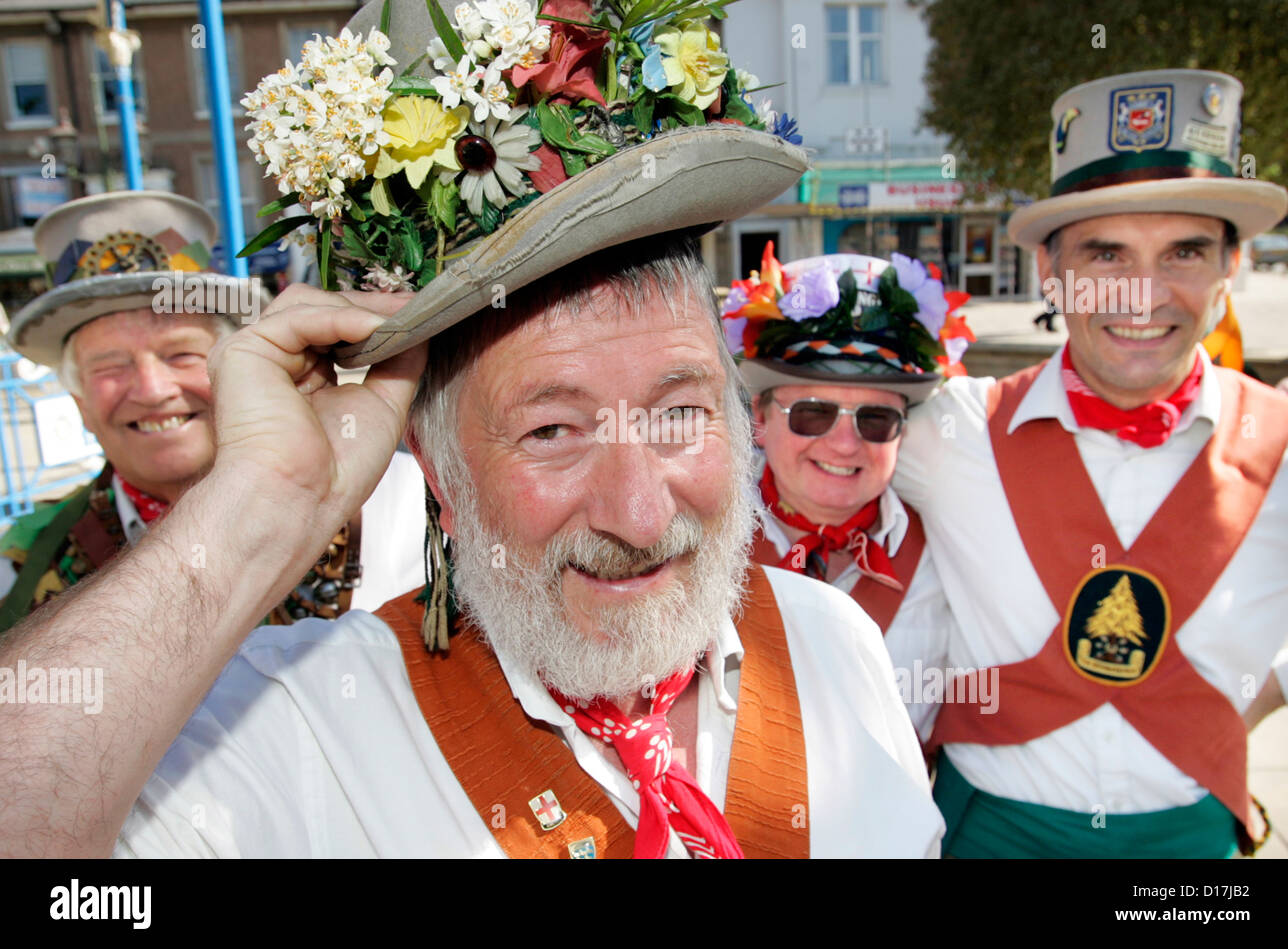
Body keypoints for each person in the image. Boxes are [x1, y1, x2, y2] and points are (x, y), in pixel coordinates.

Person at [0, 0, 942, 858]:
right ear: (437, 473)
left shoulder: (836, 644)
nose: (642, 514)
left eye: (681, 412)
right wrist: (256, 512)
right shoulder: (298, 729)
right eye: (551, 431)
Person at [890, 68, 1288, 857]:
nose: (1141, 295)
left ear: (1231, 268)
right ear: (1051, 269)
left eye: (1183, 251)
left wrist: (1259, 693)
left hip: (1188, 853)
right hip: (991, 834)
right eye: (1106, 254)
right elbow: (792, 466)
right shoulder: (950, 431)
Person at [0, 191, 427, 627]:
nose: (151, 390)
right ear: (81, 407)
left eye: (180, 355)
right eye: (111, 367)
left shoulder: (403, 505)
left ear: (240, 367)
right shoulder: (21, 565)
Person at [720, 245, 972, 730]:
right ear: (758, 417)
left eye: (876, 420)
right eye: (814, 413)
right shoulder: (701, 543)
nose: (843, 444)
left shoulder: (949, 550)